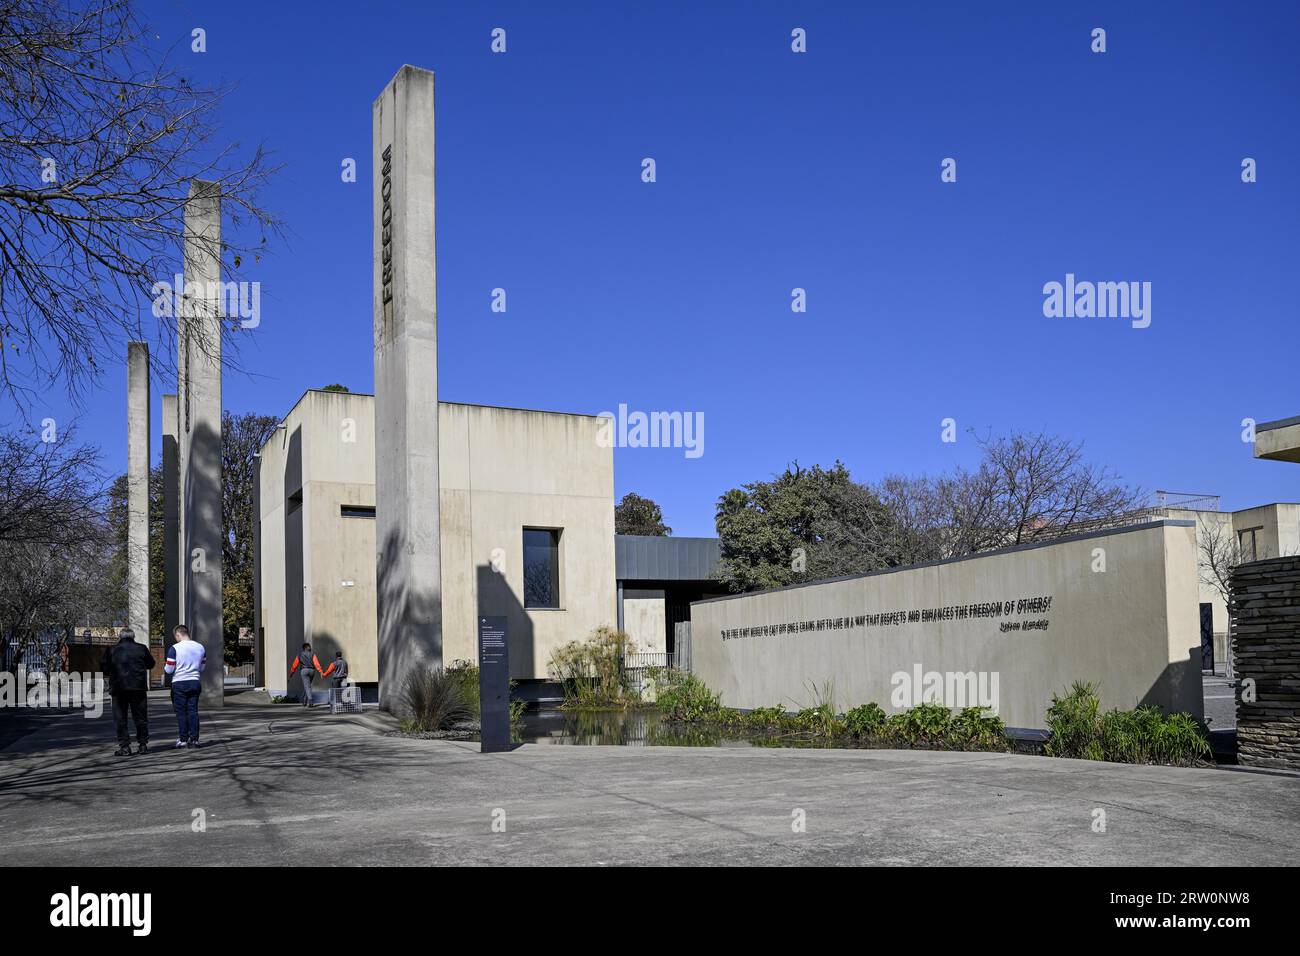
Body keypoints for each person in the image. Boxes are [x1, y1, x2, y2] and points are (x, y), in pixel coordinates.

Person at [101, 628, 155, 756]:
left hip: (119, 688)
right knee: (140, 717)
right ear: (133, 636)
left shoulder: (112, 650)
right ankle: (142, 745)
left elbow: (104, 668)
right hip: (138, 688)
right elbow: (151, 664)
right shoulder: (142, 648)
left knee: (120, 718)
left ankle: (125, 746)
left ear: (120, 636)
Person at [164, 625, 206, 748]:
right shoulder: (200, 647)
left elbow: (169, 669)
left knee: (181, 712)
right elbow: (202, 668)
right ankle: (195, 740)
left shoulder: (174, 648)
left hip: (179, 683)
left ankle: (183, 739)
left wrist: (166, 667)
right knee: (193, 711)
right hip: (194, 682)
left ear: (178, 635)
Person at [289, 643, 325, 708]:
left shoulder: (299, 655)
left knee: (307, 686)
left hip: (304, 671)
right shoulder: (313, 654)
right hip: (312, 671)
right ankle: (304, 701)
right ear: (308, 648)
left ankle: (310, 701)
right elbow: (316, 663)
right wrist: (321, 672)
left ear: (303, 648)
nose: (310, 648)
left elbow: (295, 665)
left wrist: (292, 672)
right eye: (309, 647)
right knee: (307, 686)